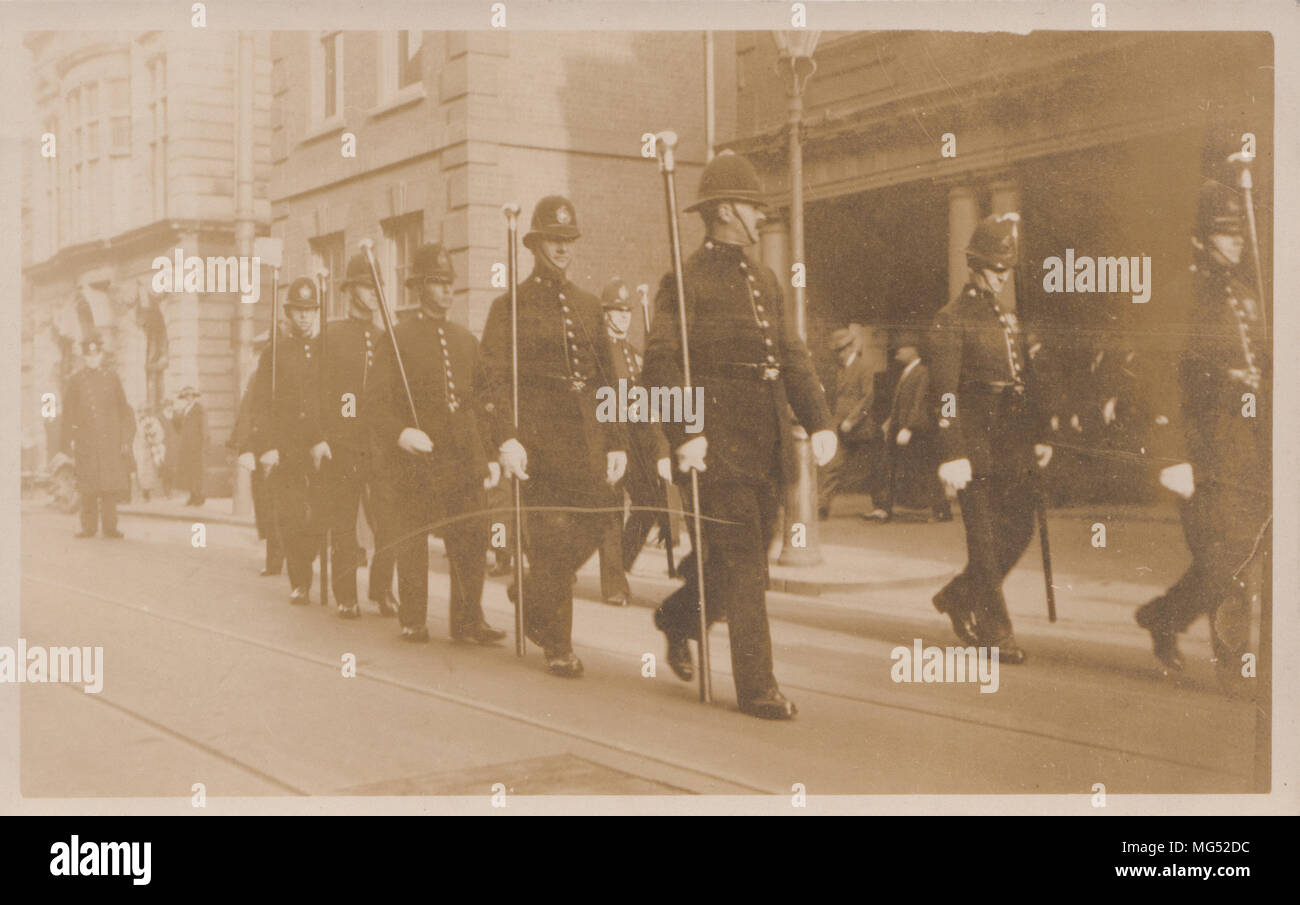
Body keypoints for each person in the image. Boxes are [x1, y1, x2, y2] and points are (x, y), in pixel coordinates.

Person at [644, 151, 837, 719]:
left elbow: (792, 356)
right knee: (747, 568)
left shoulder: (765, 279)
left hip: (767, 442)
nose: (761, 215)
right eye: (753, 206)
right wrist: (684, 433)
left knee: (742, 559)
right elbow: (658, 366)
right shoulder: (686, 281)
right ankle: (758, 687)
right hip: (714, 447)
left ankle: (677, 617)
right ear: (727, 210)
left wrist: (820, 418)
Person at [481, 195, 628, 677]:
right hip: (538, 443)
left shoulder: (588, 306)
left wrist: (617, 442)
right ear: (535, 243)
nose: (562, 248)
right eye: (554, 239)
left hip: (585, 441)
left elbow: (609, 380)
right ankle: (559, 646)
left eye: (569, 240)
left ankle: (530, 592)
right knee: (550, 539)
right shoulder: (510, 307)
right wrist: (505, 437)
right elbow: (490, 380)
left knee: (602, 518)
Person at [1135, 178, 1270, 672]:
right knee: (1224, 553)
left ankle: (1164, 616)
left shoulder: (1244, 292)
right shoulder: (1181, 292)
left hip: (1249, 441)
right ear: (1201, 239)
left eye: (1238, 234)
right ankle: (1233, 661)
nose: (1236, 242)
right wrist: (1171, 453)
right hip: (1204, 444)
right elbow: (1159, 373)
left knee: (1242, 547)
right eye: (1225, 234)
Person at [367, 242, 508, 645]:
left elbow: (484, 402)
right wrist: (401, 433)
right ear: (419, 288)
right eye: (437, 283)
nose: (447, 290)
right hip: (416, 459)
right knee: (413, 540)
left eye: (449, 283)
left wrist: (491, 453)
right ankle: (413, 617)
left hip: (463, 461)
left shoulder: (466, 340)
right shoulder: (398, 339)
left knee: (471, 537)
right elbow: (374, 403)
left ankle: (467, 620)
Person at [928, 212, 1051, 665]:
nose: (1003, 277)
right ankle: (997, 632)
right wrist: (952, 452)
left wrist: (1039, 433)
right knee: (982, 542)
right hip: (974, 447)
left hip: (1011, 443)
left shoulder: (1008, 320)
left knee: (1019, 529)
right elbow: (943, 394)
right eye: (997, 269)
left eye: (1007, 270)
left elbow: (1025, 382)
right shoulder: (951, 319)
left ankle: (959, 596)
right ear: (976, 266)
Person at [319, 253, 399, 619]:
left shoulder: (386, 339)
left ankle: (381, 590)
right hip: (344, 444)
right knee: (344, 523)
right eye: (365, 287)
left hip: (380, 446)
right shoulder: (333, 337)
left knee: (390, 522)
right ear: (350, 290)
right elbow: (319, 394)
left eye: (375, 287)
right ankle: (346, 594)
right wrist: (322, 437)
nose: (371, 294)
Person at [595, 278, 671, 606]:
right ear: (605, 314)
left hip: (635, 440)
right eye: (616, 311)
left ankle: (621, 563)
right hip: (606, 440)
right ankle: (613, 585)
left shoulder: (633, 355)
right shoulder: (597, 353)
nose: (624, 317)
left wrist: (658, 451)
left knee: (650, 502)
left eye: (627, 312)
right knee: (610, 511)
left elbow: (646, 404)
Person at [251, 277, 325, 605]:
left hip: (323, 447)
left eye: (310, 310)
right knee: (293, 518)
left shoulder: (327, 349)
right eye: (299, 311)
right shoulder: (274, 354)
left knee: (322, 517)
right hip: (288, 448)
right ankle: (300, 580)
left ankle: (308, 560)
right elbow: (261, 403)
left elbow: (342, 398)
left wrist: (341, 429)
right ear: (289, 314)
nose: (305, 317)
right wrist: (266, 446)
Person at [63, 335, 136, 538]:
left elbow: (124, 410)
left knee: (109, 486)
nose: (93, 358)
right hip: (86, 441)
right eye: (89, 355)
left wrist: (125, 439)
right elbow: (68, 413)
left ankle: (110, 527)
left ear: (101, 355)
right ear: (84, 357)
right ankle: (89, 527)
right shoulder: (76, 380)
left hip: (110, 441)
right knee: (88, 486)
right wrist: (67, 441)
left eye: (96, 355)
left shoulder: (112, 378)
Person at [878, 341, 951, 522]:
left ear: (913, 350)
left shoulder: (922, 372)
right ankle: (885, 508)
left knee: (926, 470)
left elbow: (919, 402)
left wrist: (908, 427)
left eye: (902, 348)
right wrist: (890, 421)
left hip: (916, 430)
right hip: (901, 427)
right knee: (893, 465)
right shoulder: (908, 371)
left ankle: (942, 510)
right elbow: (900, 402)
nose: (897, 352)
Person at [232, 330, 285, 577]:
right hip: (265, 449)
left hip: (292, 448)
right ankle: (275, 556)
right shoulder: (258, 377)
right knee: (269, 506)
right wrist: (246, 447)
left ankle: (293, 557)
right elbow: (247, 411)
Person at [817, 325, 877, 519]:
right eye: (837, 350)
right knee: (832, 466)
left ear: (851, 347)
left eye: (842, 349)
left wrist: (852, 420)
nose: (839, 354)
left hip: (861, 426)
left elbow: (867, 397)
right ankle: (823, 506)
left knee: (875, 465)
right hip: (840, 426)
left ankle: (882, 506)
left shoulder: (864, 367)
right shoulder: (840, 370)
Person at [174, 386, 207, 506]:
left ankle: (199, 496)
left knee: (197, 471)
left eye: (190, 396)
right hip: (186, 445)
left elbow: (203, 427)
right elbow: (178, 428)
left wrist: (203, 444)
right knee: (189, 471)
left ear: (194, 397)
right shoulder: (184, 410)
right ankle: (192, 496)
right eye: (186, 396)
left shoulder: (199, 409)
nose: (188, 398)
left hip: (196, 445)